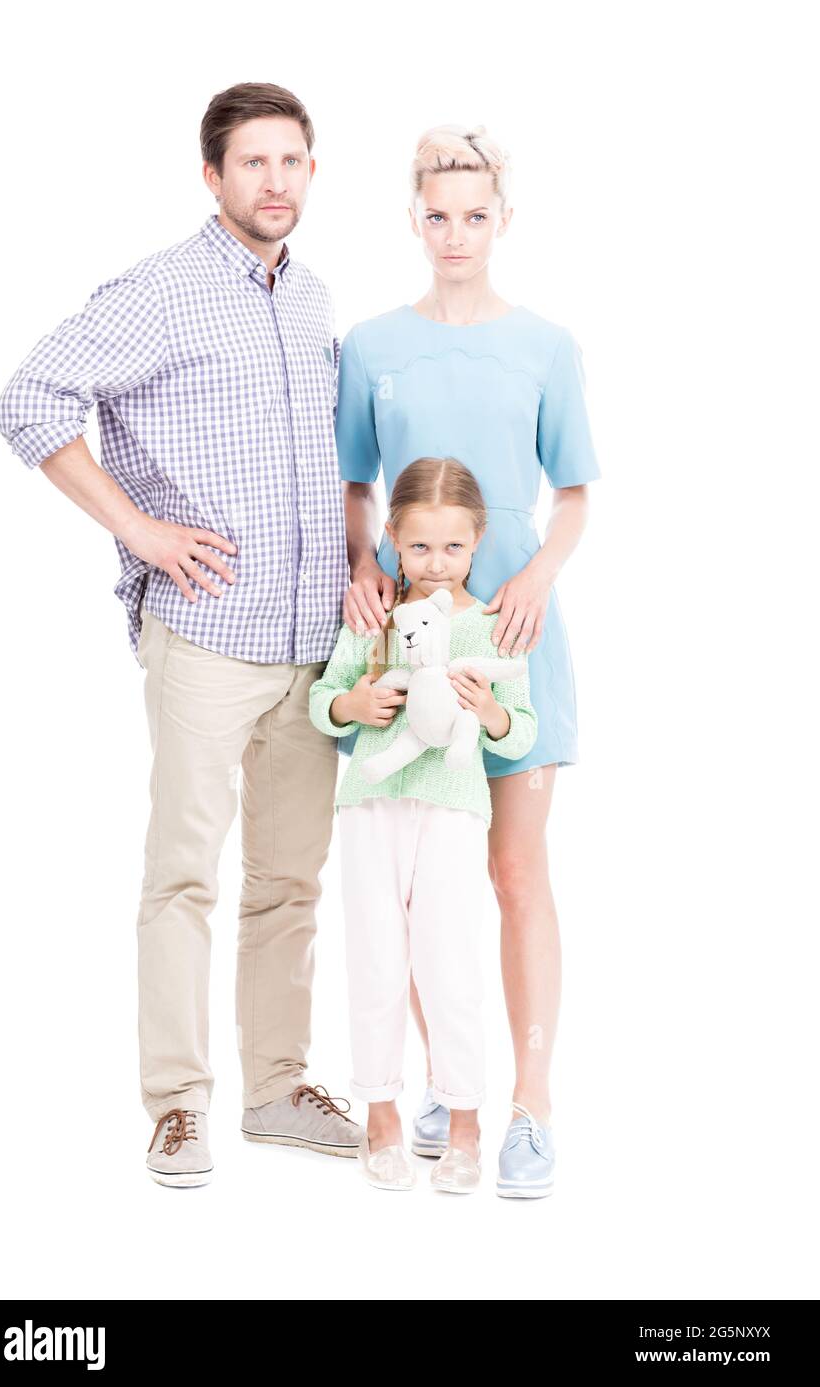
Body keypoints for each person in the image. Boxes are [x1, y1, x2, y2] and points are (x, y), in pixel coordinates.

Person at [0, 81, 364, 1187]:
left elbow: (330, 460)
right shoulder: (158, 291)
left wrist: (357, 562)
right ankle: (176, 1105)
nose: (275, 182)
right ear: (213, 176)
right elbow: (30, 398)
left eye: (292, 161)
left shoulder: (313, 300)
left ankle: (273, 1088)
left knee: (289, 882)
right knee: (183, 877)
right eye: (253, 163)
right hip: (206, 636)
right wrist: (140, 530)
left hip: (309, 645)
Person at [335, 124, 602, 1198]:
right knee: (406, 881)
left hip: (514, 644)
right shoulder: (370, 346)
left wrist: (536, 574)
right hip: (405, 642)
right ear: (412, 218)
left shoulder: (545, 345)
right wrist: (362, 564)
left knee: (511, 872)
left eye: (474, 215)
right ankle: (443, 1092)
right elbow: (356, 484)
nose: (454, 233)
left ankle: (529, 1105)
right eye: (436, 214)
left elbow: (576, 492)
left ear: (501, 220)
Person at [309, 457, 538, 1192]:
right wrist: (354, 707)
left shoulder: (494, 627)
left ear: (477, 545)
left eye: (452, 549)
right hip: (370, 809)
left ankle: (464, 1121)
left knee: (448, 965)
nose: (435, 566)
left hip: (452, 809)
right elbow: (326, 698)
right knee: (375, 960)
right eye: (418, 549)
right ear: (392, 542)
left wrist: (490, 711)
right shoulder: (376, 620)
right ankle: (381, 1116)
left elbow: (521, 731)